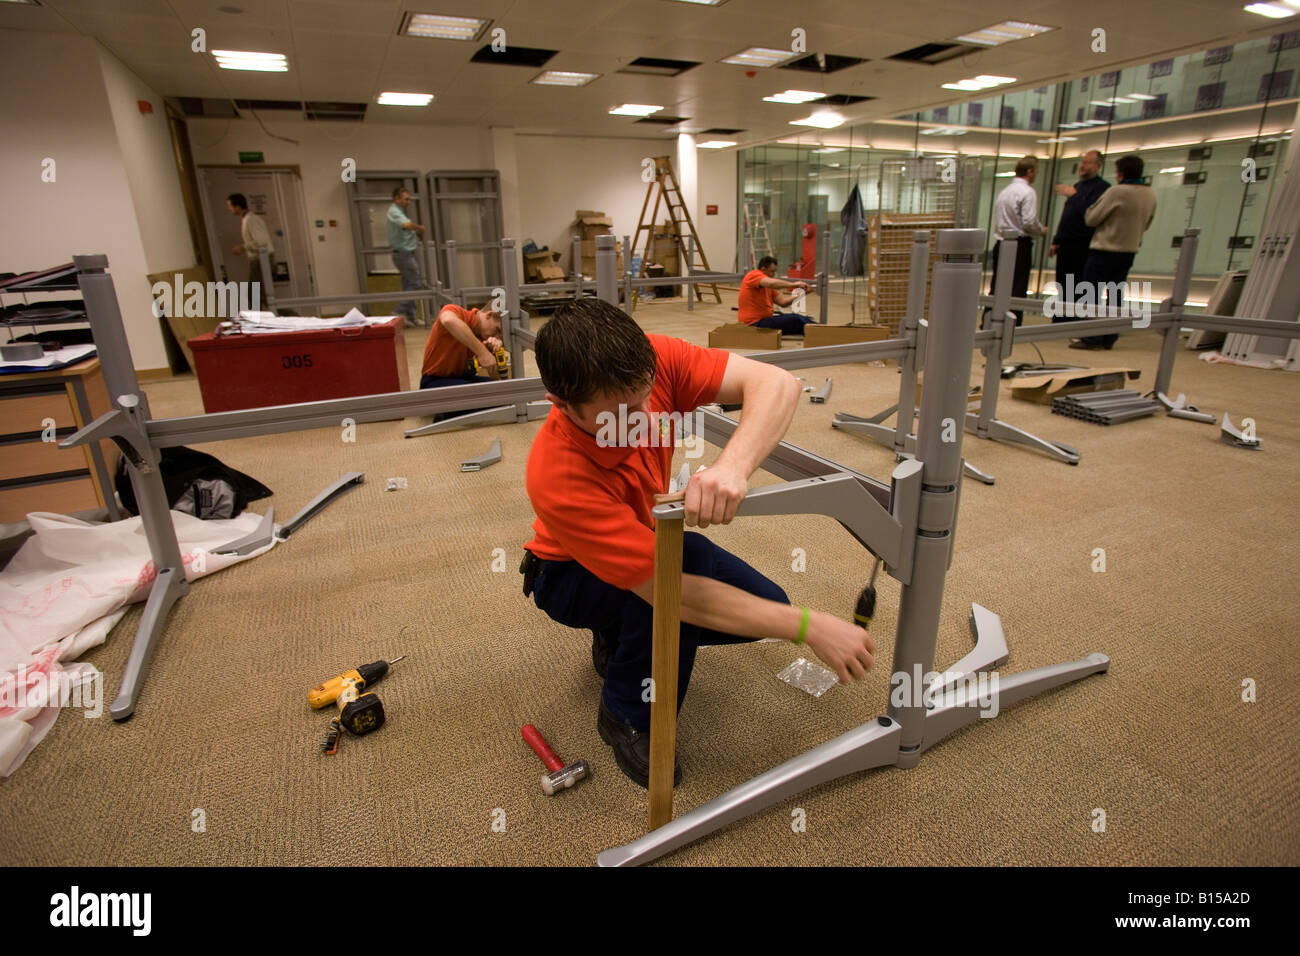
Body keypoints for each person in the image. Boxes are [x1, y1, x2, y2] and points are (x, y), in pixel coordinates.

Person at [519, 297, 876, 787]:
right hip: (566, 577)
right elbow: (677, 594)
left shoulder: (654, 358)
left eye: (646, 399)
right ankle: (625, 713)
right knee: (669, 607)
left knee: (765, 604)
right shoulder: (555, 475)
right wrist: (809, 627)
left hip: (645, 539)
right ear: (559, 405)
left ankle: (620, 637)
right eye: (618, 415)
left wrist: (732, 466)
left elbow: (777, 383)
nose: (643, 420)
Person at [1074, 154, 1157, 350]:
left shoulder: (1117, 192)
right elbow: (1147, 223)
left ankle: (1091, 337)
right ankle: (1109, 337)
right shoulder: (1149, 194)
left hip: (1105, 249)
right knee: (1116, 294)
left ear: (1120, 173)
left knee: (1092, 294)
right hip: (1128, 250)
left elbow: (1092, 218)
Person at [983, 156, 1047, 327]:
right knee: (1017, 286)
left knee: (997, 284)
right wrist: (1042, 230)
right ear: (1030, 171)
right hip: (1019, 244)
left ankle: (988, 320)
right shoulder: (1027, 192)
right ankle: (1012, 324)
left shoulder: (1005, 191)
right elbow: (1029, 221)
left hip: (1001, 242)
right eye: (1036, 171)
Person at [1050, 150, 1110, 322]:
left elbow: (1091, 215)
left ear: (1098, 166)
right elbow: (1067, 216)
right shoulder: (1079, 186)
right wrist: (1057, 240)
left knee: (1080, 284)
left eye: (1088, 163)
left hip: (1084, 244)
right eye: (1082, 162)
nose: (1083, 166)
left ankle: (1077, 320)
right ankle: (1063, 317)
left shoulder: (1101, 189)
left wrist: (1074, 196)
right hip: (1067, 244)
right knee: (1063, 282)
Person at [419, 303, 505, 420]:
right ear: (488, 315)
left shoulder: (484, 336)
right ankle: (448, 412)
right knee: (471, 392)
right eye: (497, 330)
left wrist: (492, 355)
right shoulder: (456, 311)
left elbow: (497, 379)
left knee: (503, 392)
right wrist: (482, 352)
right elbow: (448, 320)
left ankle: (454, 409)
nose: (498, 336)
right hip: (433, 381)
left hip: (462, 378)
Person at [737, 256, 814, 336]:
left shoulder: (768, 286)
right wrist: (794, 284)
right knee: (796, 320)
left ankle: (819, 329)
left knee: (800, 319)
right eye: (772, 271)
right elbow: (772, 283)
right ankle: (820, 331)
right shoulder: (753, 275)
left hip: (764, 321)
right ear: (763, 269)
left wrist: (803, 293)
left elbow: (783, 302)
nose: (773, 275)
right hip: (754, 323)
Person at [387, 187, 427, 328]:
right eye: (406, 199)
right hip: (402, 254)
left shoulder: (400, 212)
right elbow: (406, 225)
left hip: (407, 253)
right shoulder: (394, 212)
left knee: (408, 285)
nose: (408, 202)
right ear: (397, 199)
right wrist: (419, 228)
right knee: (415, 283)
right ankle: (399, 311)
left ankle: (411, 317)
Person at [226, 193, 275, 294]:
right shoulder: (246, 220)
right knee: (259, 295)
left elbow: (261, 242)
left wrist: (243, 247)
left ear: (238, 206)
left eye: (230, 206)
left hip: (261, 260)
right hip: (258, 260)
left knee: (255, 295)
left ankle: (286, 310)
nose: (228, 209)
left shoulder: (251, 219)